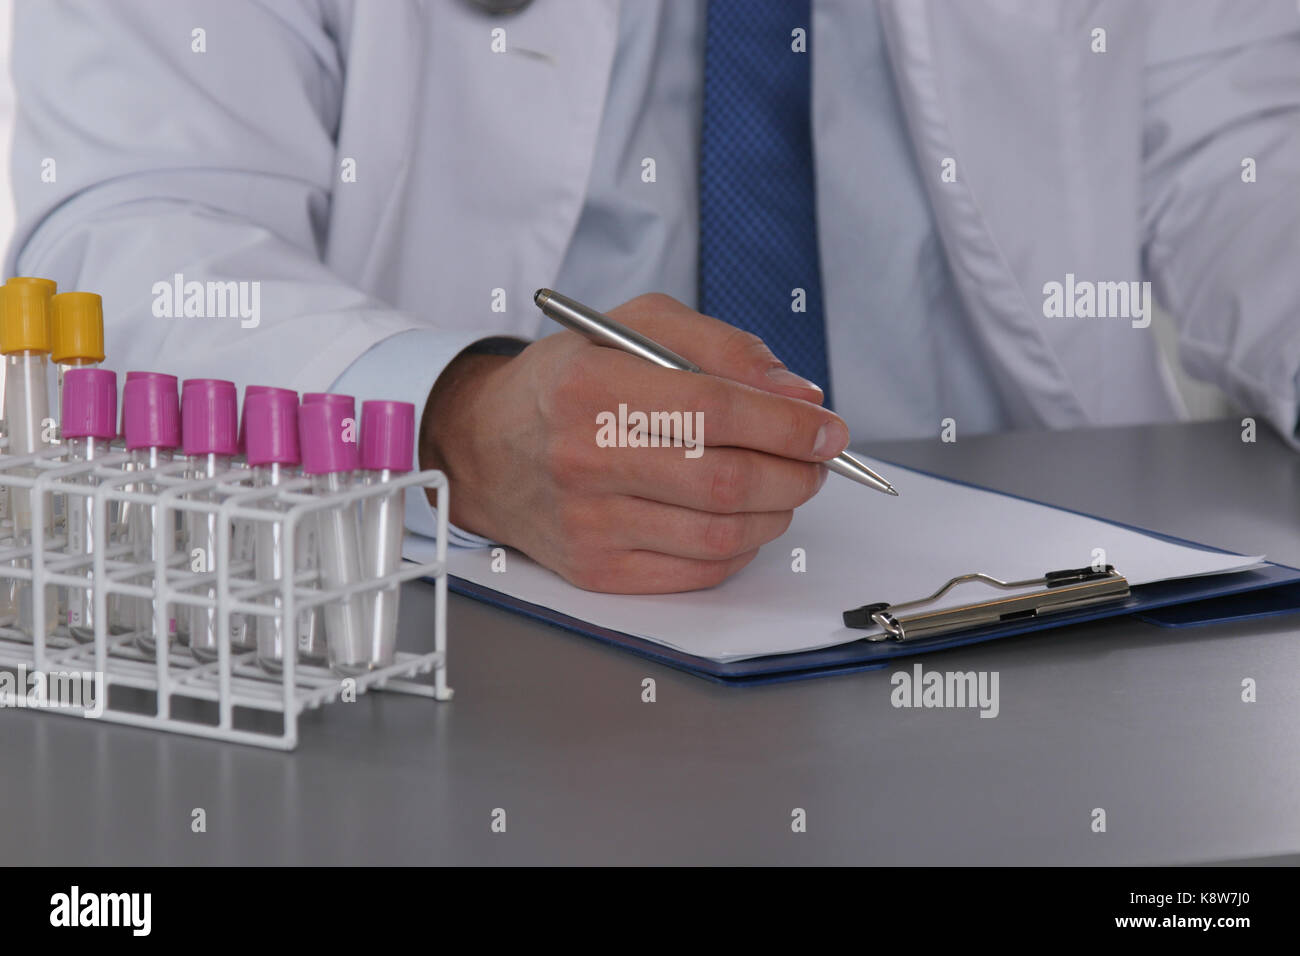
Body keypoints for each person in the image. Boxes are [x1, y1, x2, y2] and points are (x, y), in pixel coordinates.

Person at [7, 1, 1299, 593]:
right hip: (460, 620)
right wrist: (452, 419)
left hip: (1047, 589)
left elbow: (1238, 147)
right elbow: (120, 230)